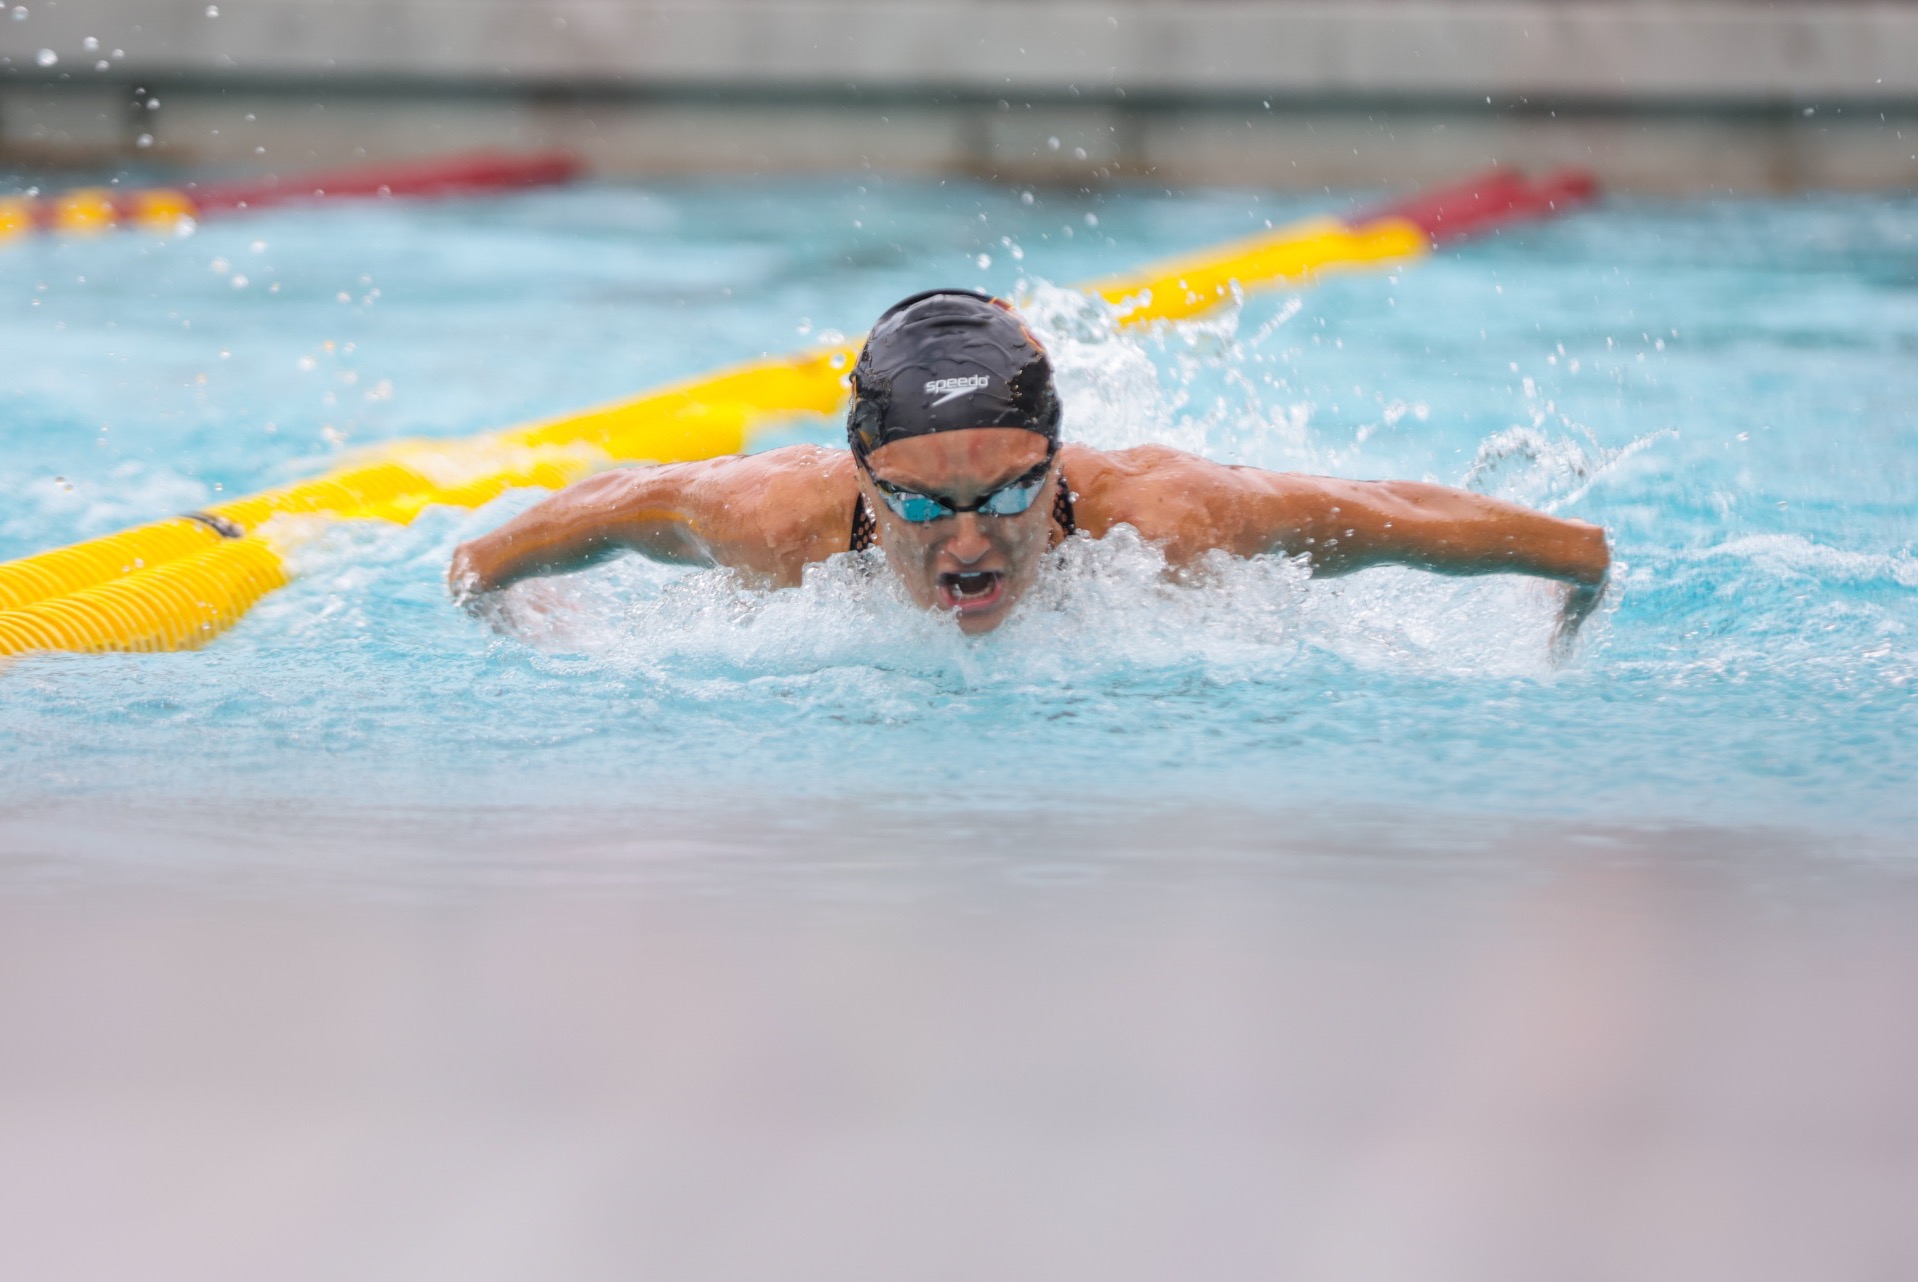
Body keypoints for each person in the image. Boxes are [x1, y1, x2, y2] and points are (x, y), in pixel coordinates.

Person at [450, 289, 1609, 643]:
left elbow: (1395, 516)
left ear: (1058, 466)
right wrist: (514, 608)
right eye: (919, 503)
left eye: (1011, 492)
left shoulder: (1164, 520)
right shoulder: (775, 524)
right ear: (859, 483)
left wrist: (1576, 577)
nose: (968, 540)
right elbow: (553, 531)